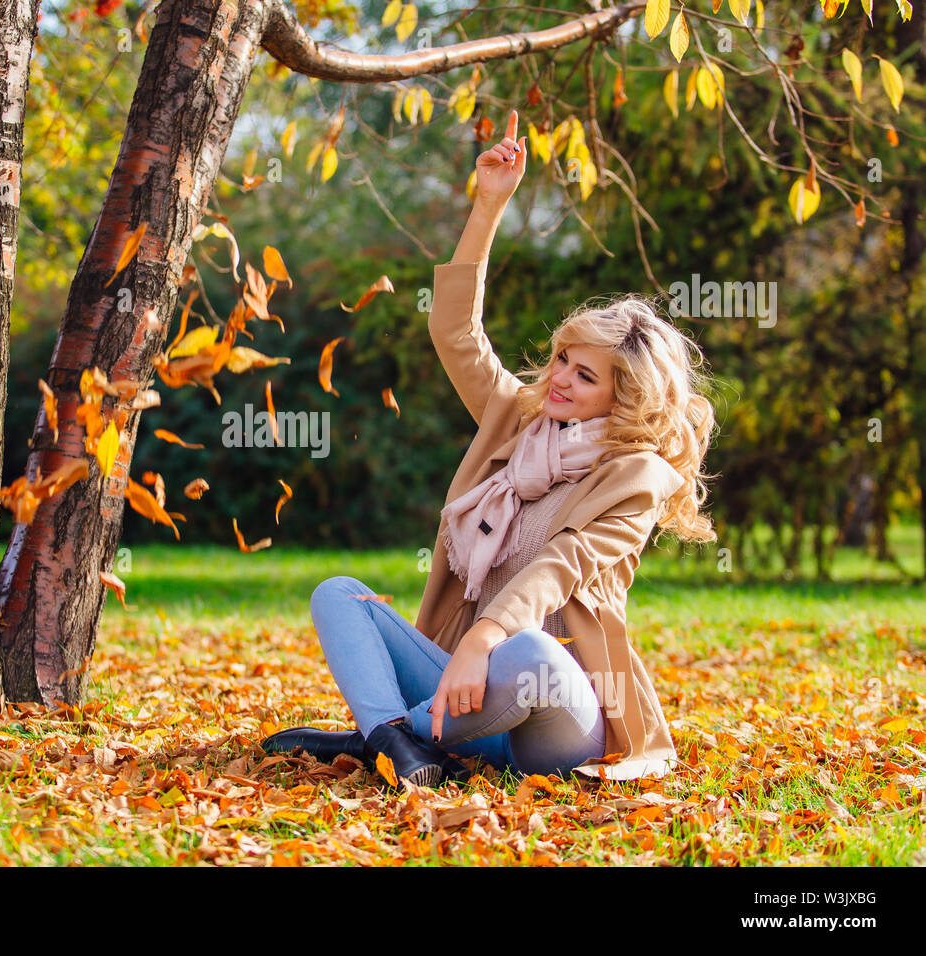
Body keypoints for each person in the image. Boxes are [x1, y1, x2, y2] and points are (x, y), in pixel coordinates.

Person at [263, 109, 718, 789]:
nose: (558, 378)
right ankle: (401, 743)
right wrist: (487, 205)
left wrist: (484, 637)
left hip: (558, 711)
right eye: (562, 358)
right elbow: (455, 332)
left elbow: (560, 567)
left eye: (583, 374)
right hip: (464, 694)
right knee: (341, 594)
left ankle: (384, 734)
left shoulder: (637, 477)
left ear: (625, 398)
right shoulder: (517, 420)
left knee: (528, 650)